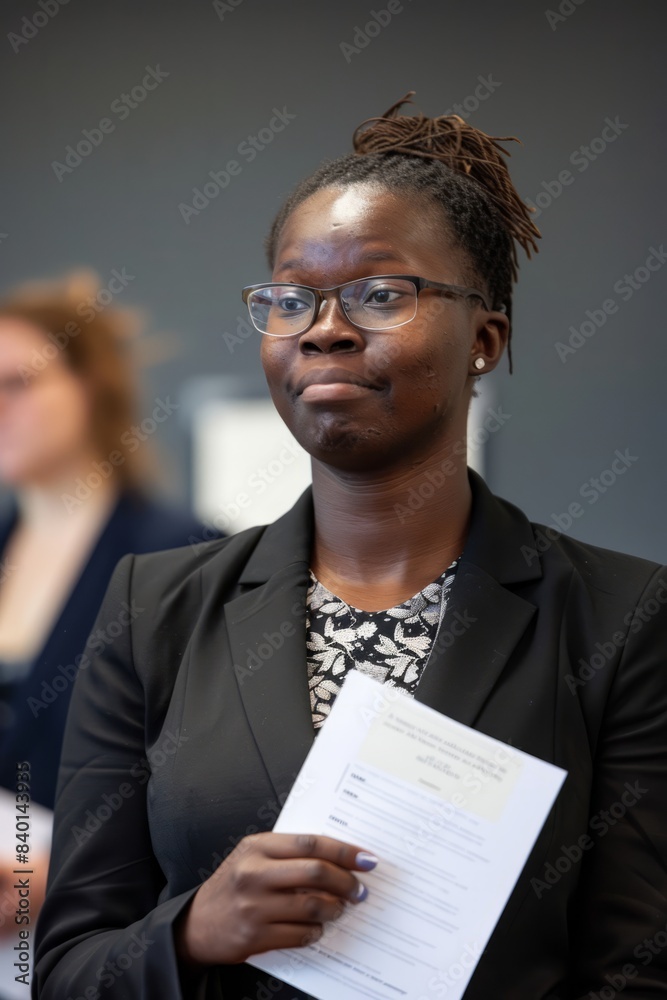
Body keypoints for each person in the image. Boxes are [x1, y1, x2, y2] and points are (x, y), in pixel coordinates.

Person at [33, 95, 667, 999]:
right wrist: (192, 933)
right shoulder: (154, 609)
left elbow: (637, 971)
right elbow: (62, 971)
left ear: (483, 339)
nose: (323, 327)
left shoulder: (621, 617)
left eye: (380, 293)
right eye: (291, 298)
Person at [0, 273, 218, 987]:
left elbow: (214, 783)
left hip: (107, 943)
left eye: (17, 384)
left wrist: (53, 866)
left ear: (88, 386)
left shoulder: (188, 559)